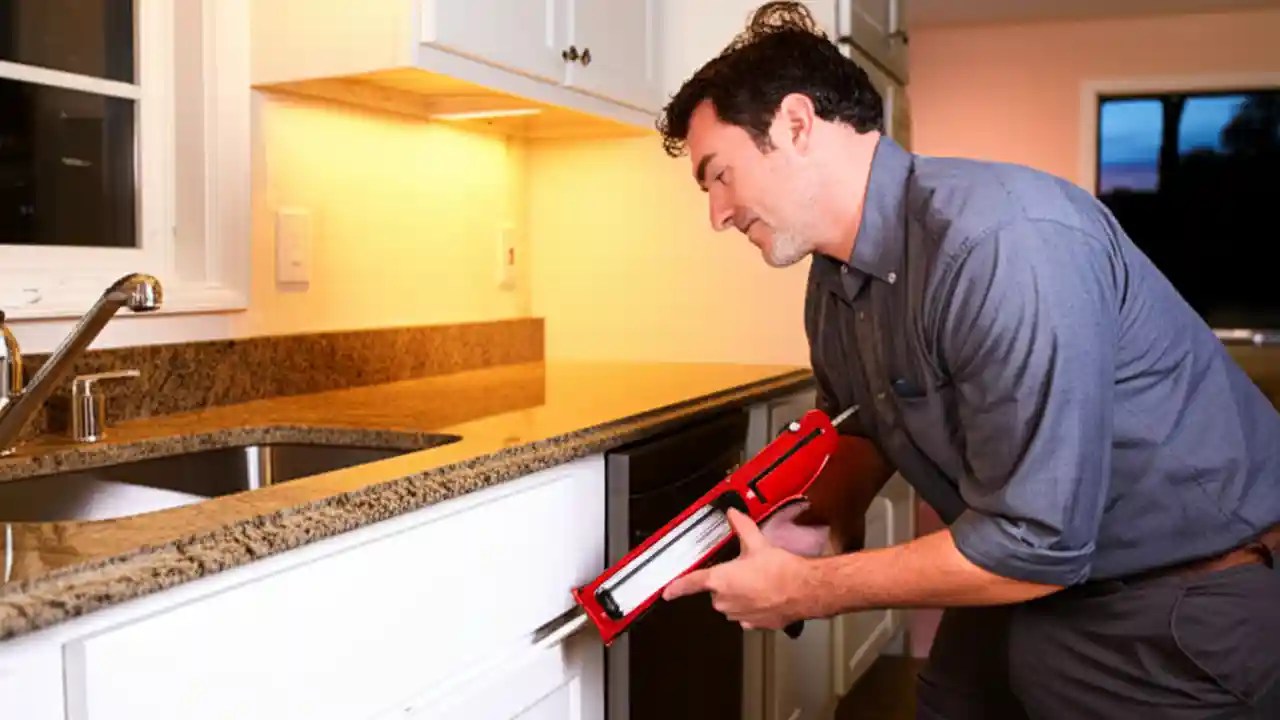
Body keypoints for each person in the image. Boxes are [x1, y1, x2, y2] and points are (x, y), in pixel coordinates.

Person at [655, 3, 1280, 718]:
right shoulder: (833, 281)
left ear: (796, 126)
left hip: (1173, 607)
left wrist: (807, 591)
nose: (718, 213)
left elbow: (1039, 541)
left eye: (721, 175)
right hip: (1016, 588)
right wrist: (824, 518)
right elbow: (861, 425)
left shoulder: (1001, 243)